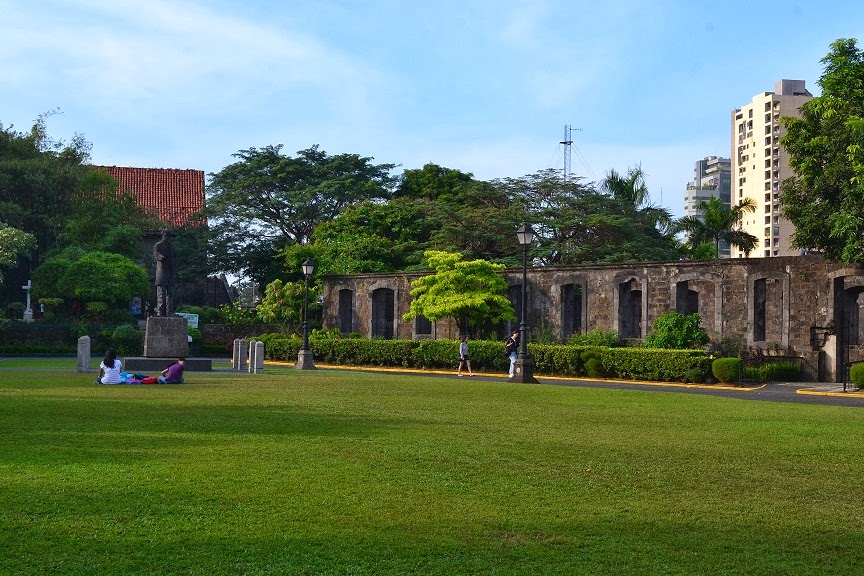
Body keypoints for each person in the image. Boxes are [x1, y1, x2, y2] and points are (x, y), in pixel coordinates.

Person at [153, 229, 175, 316]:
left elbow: (174, 258)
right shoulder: (158, 245)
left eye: (168, 235)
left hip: (170, 272)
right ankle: (159, 310)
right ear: (163, 235)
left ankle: (170, 311)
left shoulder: (171, 246)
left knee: (170, 293)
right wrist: (160, 257)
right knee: (161, 293)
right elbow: (156, 255)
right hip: (161, 271)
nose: (166, 237)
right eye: (165, 235)